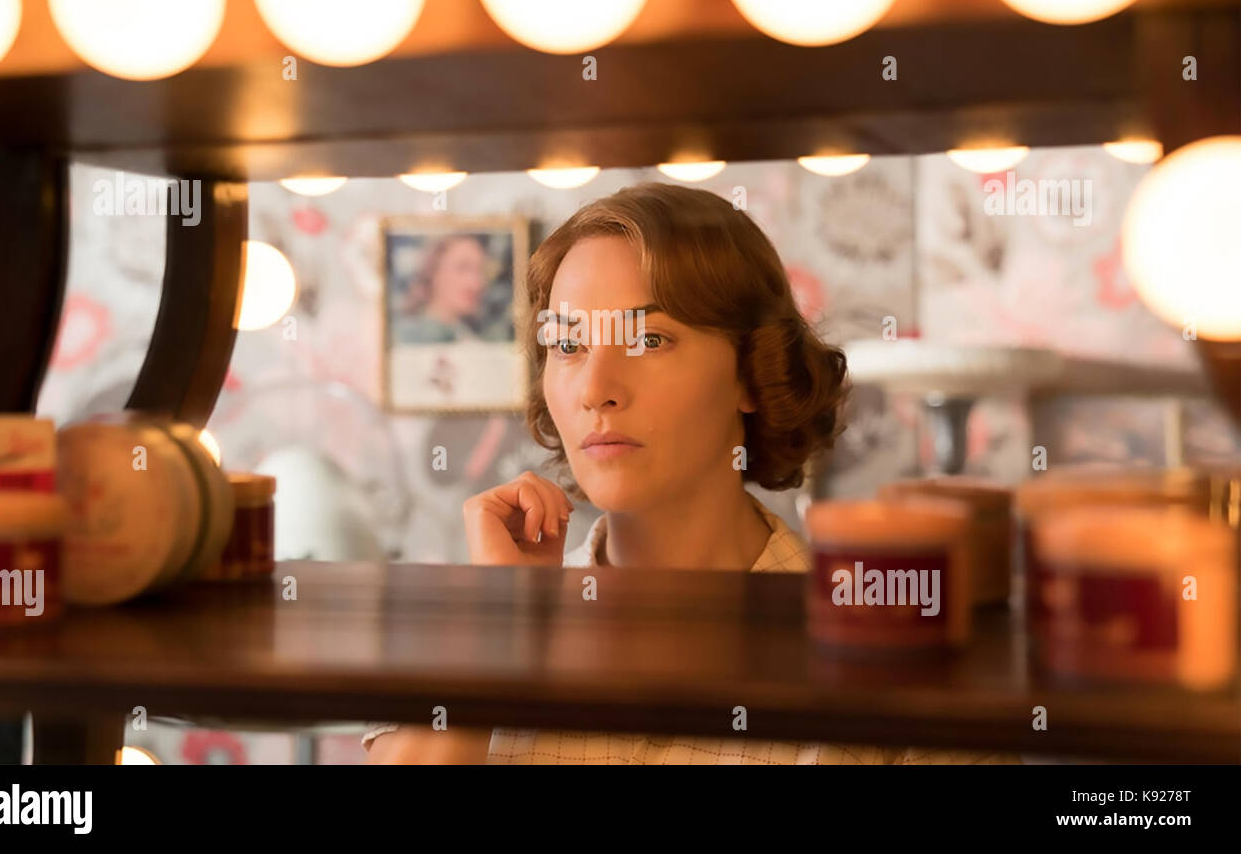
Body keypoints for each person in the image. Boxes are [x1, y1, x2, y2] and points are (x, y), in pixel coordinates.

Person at [365, 182, 1019, 764]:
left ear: (750, 376)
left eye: (649, 340)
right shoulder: (467, 636)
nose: (595, 388)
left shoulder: (892, 666)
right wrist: (496, 636)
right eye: (567, 344)